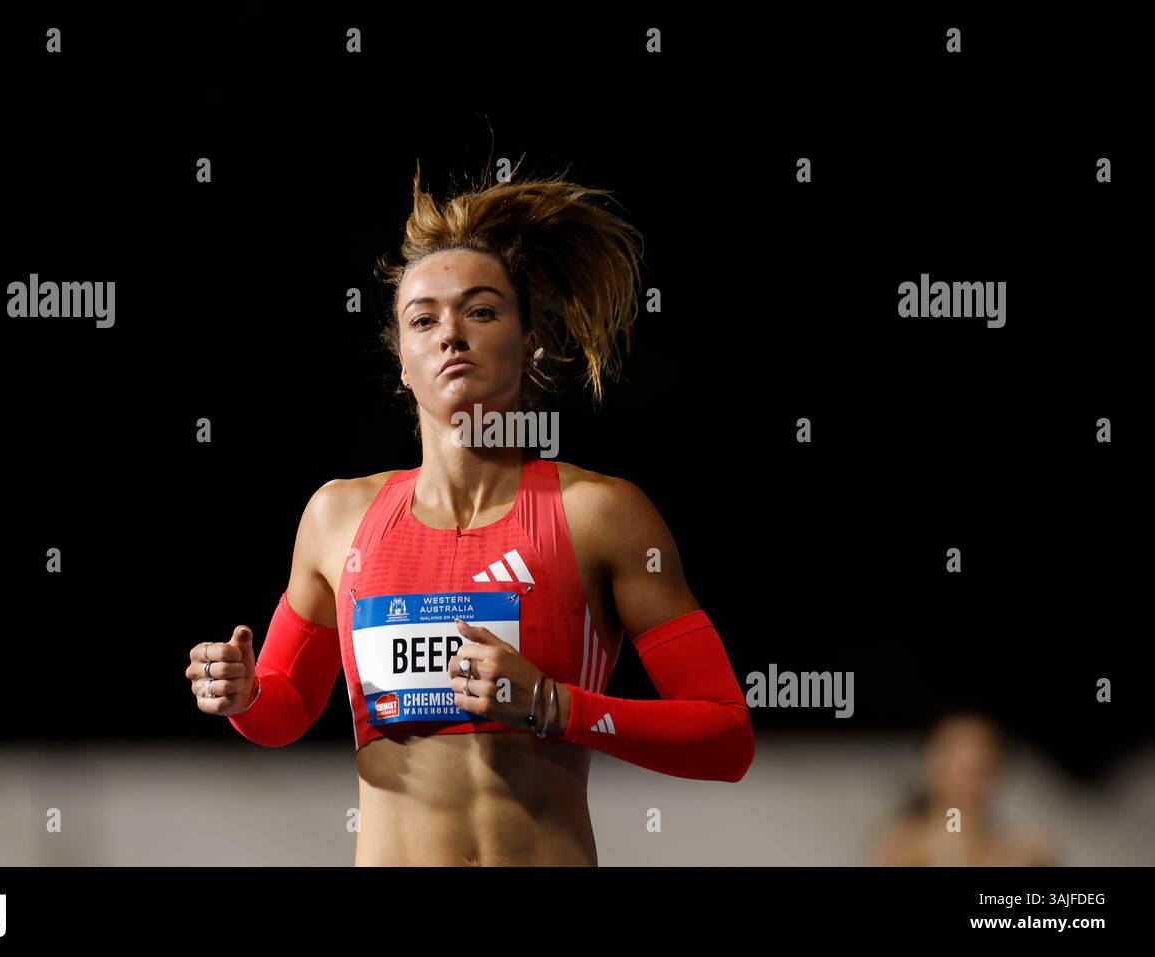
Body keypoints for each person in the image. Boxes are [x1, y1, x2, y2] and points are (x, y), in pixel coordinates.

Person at [186, 163, 755, 865]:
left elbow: (727, 738)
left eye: (481, 310)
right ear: (401, 360)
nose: (450, 332)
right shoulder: (335, 518)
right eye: (423, 319)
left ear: (530, 340)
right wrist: (243, 696)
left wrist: (554, 704)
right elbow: (285, 710)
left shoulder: (600, 515)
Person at [874, 711, 1054, 866]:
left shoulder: (1017, 846)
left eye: (979, 770)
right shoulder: (905, 844)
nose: (969, 786)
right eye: (961, 769)